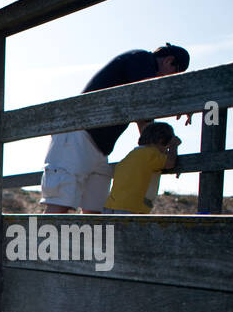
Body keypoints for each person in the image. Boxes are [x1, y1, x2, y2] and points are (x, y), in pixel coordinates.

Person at [42, 43, 191, 213]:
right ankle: (38, 241)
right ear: (169, 62)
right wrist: (182, 100)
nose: (170, 82)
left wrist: (161, 157)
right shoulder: (141, 58)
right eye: (175, 76)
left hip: (100, 150)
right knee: (59, 205)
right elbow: (146, 94)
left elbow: (146, 124)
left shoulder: (141, 78)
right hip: (77, 136)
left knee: (95, 213)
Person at [103, 122, 180, 214]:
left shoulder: (133, 154)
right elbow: (170, 163)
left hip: (110, 205)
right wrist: (173, 146)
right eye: (166, 147)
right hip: (132, 207)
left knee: (112, 229)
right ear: (161, 140)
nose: (166, 150)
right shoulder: (152, 154)